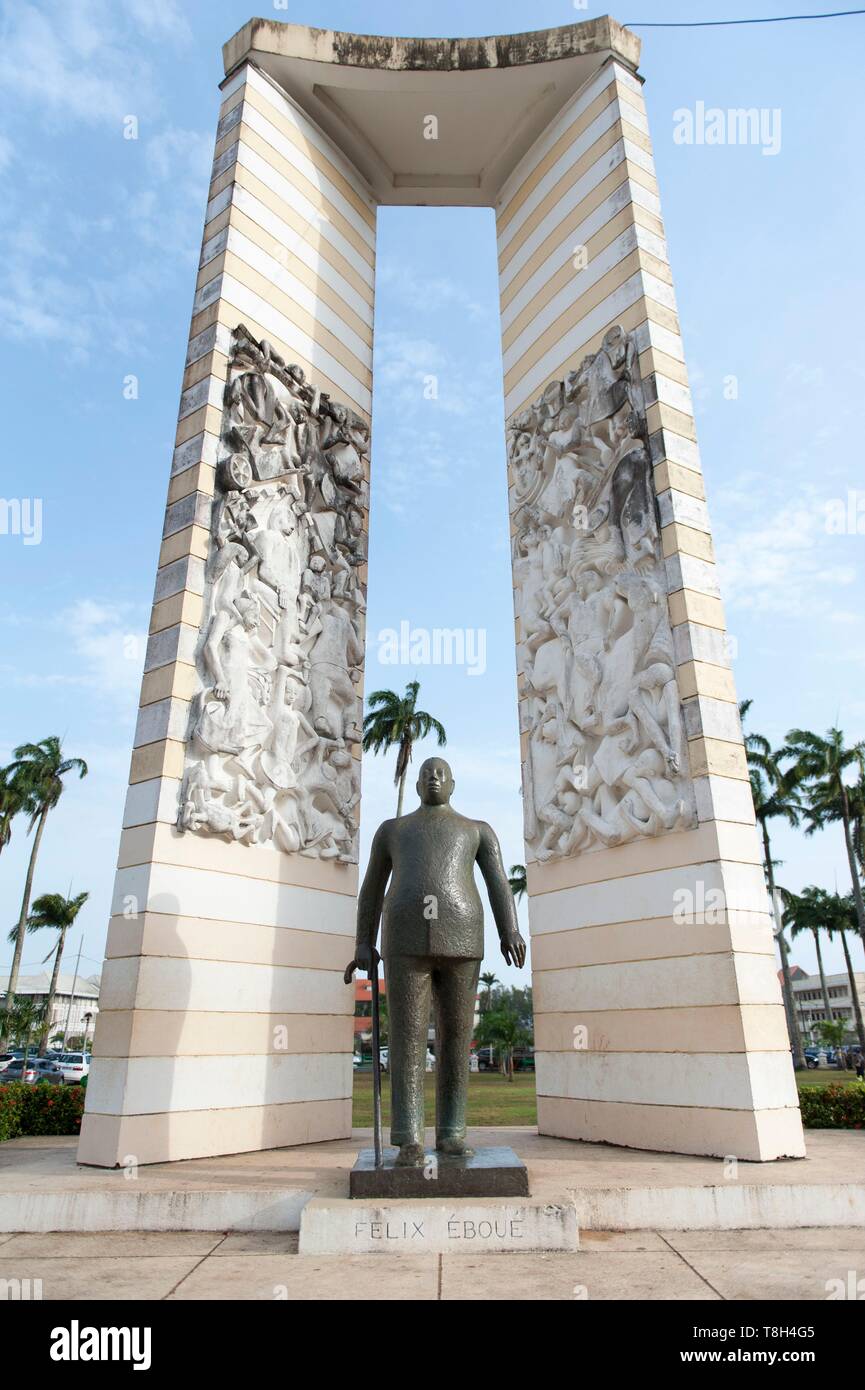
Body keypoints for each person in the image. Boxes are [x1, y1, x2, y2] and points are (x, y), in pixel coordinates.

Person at [350, 757, 526, 1166]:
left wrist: (510, 931)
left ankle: (451, 1133)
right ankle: (409, 1138)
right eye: (426, 773)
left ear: (452, 784)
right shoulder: (392, 831)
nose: (433, 777)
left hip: (463, 938)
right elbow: (372, 888)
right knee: (408, 1039)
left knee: (455, 1039)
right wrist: (363, 941)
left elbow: (498, 882)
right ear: (416, 786)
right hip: (405, 940)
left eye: (440, 773)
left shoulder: (477, 830)